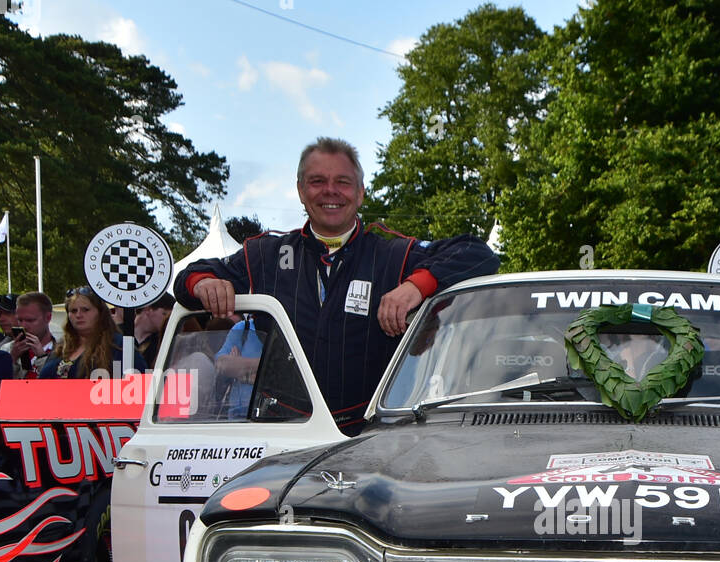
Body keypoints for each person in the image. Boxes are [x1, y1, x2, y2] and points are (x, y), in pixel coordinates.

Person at [173, 136, 500, 432]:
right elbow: (190, 277)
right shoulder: (266, 253)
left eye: (343, 182)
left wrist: (416, 285)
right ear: (301, 190)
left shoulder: (393, 253)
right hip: (283, 429)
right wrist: (204, 283)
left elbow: (478, 254)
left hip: (372, 432)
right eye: (318, 181)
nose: (330, 191)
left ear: (360, 193)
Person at [39, 285, 145, 379]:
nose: (79, 315)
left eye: (85, 310)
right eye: (73, 311)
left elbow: (141, 384)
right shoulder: (60, 348)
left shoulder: (119, 345)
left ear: (100, 313)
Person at [9, 292, 58, 377]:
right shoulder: (7, 349)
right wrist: (12, 360)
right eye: (20, 320)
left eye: (30, 320)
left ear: (48, 317)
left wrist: (42, 357)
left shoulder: (63, 351)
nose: (23, 326)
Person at [134, 293, 175, 365]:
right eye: (164, 314)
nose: (168, 319)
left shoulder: (164, 342)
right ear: (148, 309)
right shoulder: (120, 335)